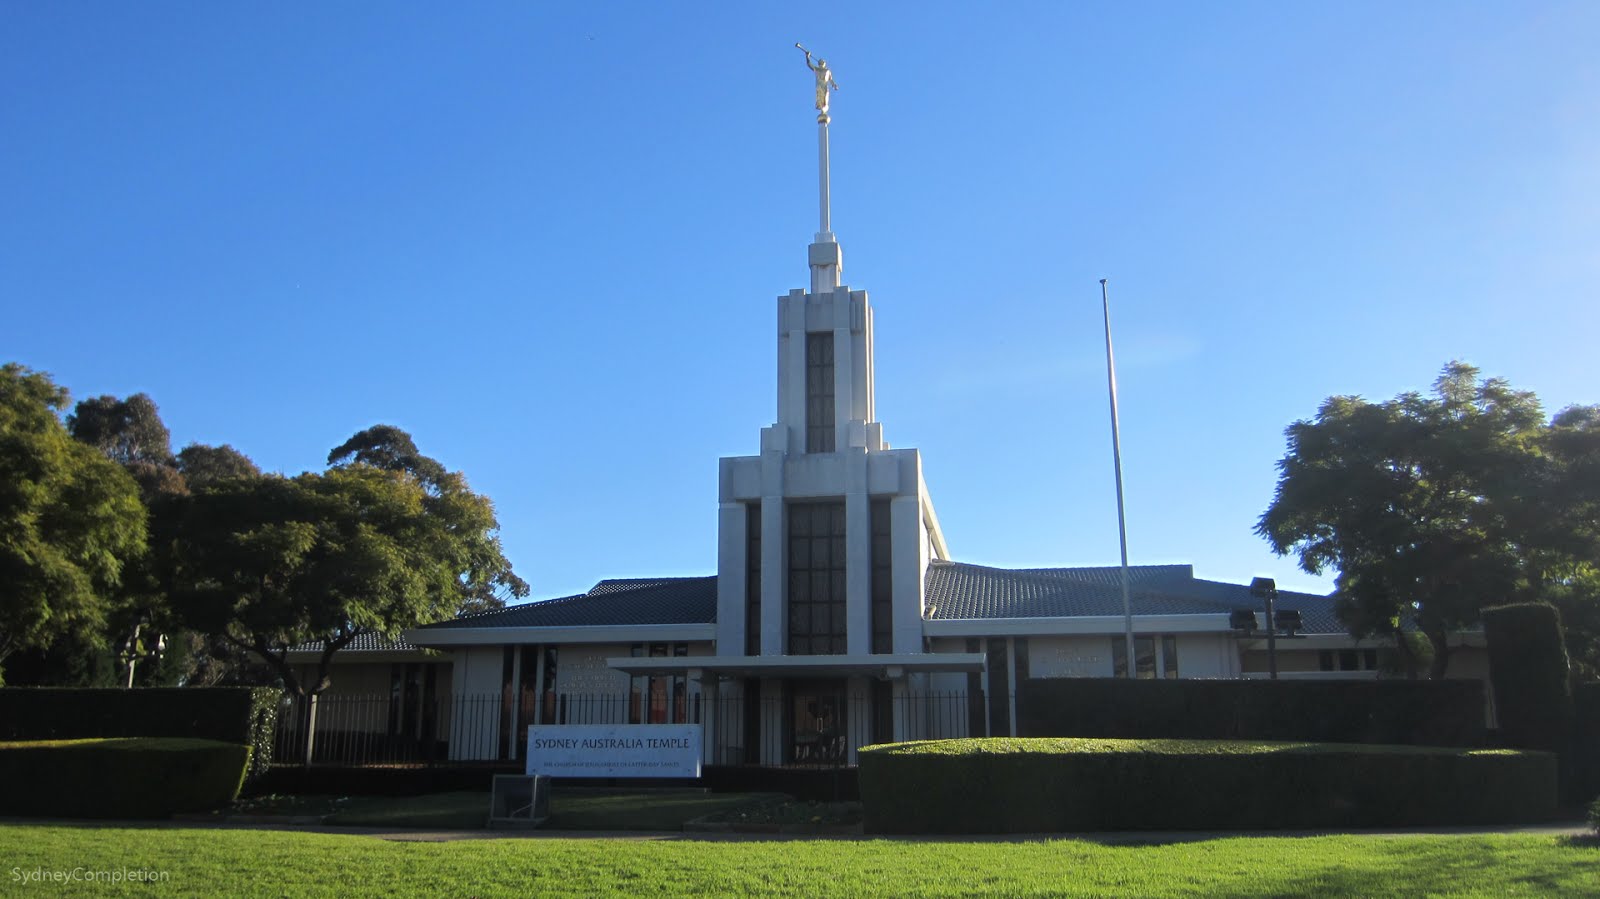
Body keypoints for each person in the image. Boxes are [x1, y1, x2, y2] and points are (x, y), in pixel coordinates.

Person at [796, 44, 838, 116]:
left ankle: (824, 108)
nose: (822, 63)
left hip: (824, 85)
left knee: (825, 97)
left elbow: (830, 79)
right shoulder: (817, 69)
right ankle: (822, 108)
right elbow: (809, 64)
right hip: (820, 85)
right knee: (821, 97)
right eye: (821, 62)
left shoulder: (827, 70)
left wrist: (834, 85)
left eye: (822, 62)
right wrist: (807, 57)